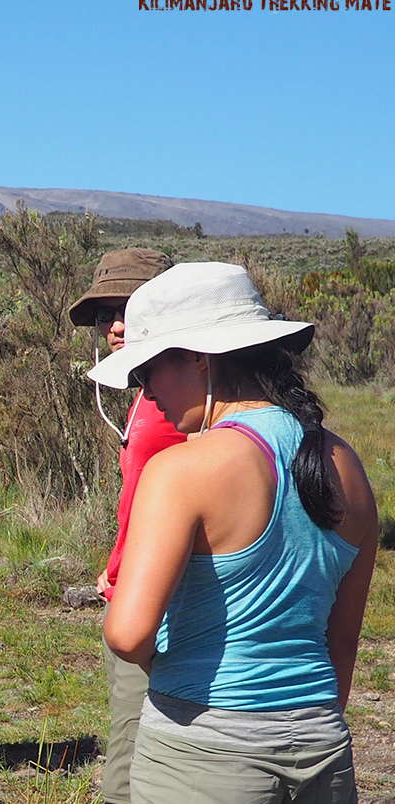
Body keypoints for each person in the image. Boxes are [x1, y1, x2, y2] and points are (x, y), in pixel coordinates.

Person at [92, 262, 377, 803]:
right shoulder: (348, 465)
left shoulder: (183, 470)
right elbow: (341, 642)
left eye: (146, 370)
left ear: (199, 356)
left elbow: (127, 634)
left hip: (202, 751)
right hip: (323, 746)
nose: (145, 392)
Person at [67, 247, 181, 804]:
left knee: (132, 736)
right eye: (104, 312)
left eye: (129, 308)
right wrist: (114, 568)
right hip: (135, 584)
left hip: (157, 596)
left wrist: (128, 579)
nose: (115, 325)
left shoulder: (175, 405)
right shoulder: (151, 394)